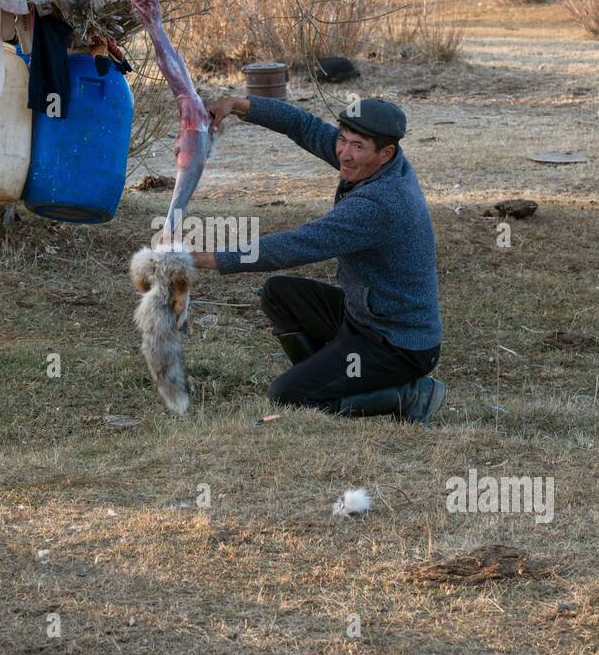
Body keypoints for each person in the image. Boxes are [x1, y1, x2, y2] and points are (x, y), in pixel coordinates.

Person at [191, 93, 445, 423]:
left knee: (288, 397)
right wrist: (236, 105)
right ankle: (331, 376)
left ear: (386, 153)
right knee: (279, 294)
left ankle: (409, 394)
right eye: (342, 140)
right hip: (364, 318)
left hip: (398, 345)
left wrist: (209, 258)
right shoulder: (370, 164)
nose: (345, 153)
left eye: (357, 146)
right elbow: (302, 125)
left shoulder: (380, 204)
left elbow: (299, 244)